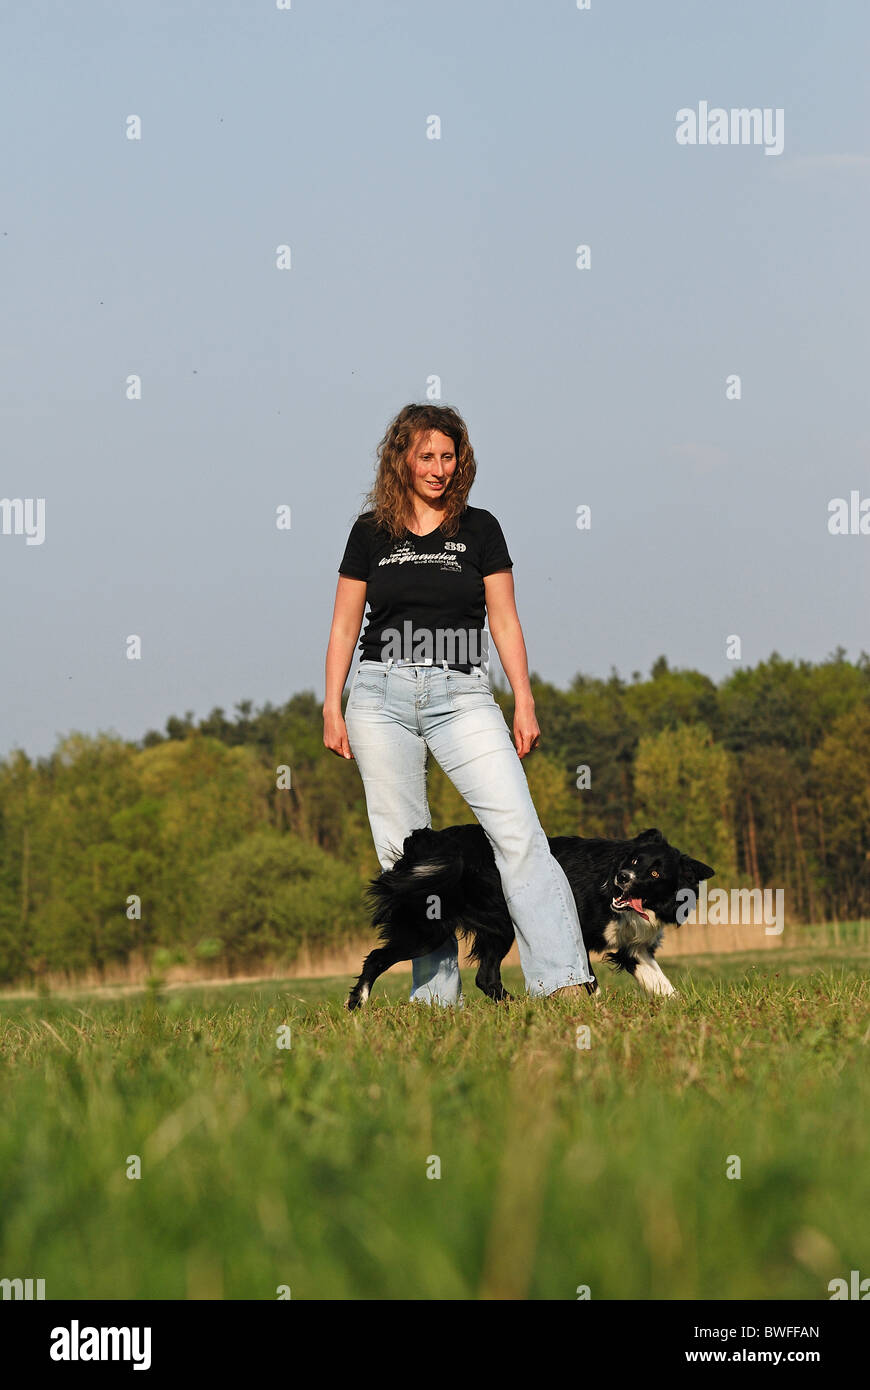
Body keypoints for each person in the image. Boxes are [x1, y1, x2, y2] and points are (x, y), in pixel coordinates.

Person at [322, 402, 594, 1005]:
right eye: (426, 456)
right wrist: (331, 704)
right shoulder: (370, 531)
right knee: (408, 856)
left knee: (519, 834)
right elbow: (344, 626)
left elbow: (505, 619)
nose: (438, 468)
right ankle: (435, 1001)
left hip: (463, 696)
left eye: (448, 456)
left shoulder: (480, 528)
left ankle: (564, 981)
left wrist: (523, 700)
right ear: (402, 459)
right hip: (378, 696)